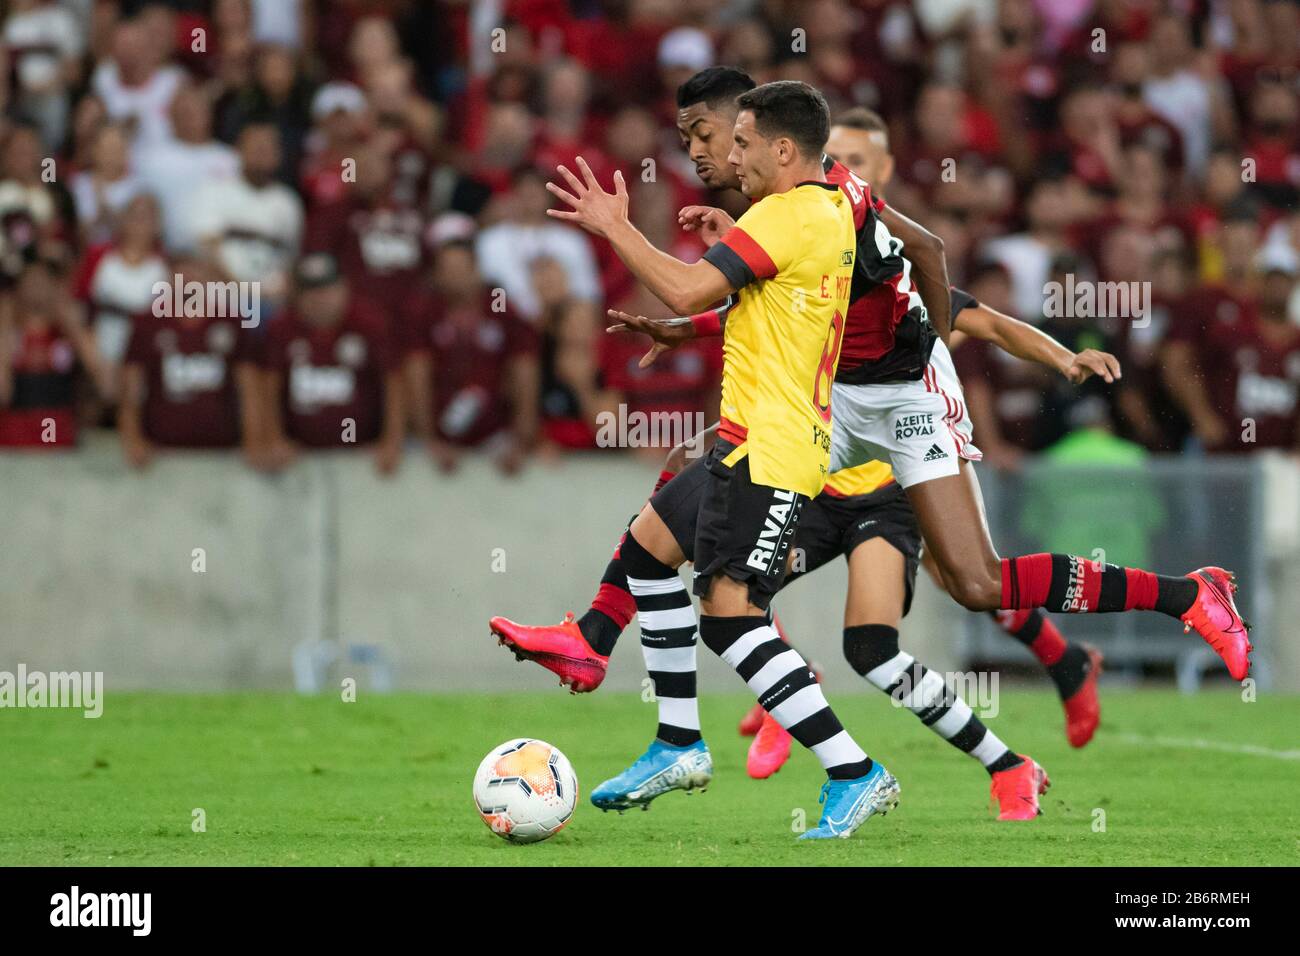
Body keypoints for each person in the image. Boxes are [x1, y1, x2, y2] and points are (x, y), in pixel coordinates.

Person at [542, 79, 898, 840]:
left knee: (732, 620)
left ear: (780, 148)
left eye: (739, 143)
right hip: (744, 440)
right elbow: (768, 300)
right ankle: (677, 743)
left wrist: (615, 227)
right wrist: (729, 239)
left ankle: (853, 770)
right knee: (645, 553)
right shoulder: (827, 206)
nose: (725, 155)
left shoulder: (790, 212)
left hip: (771, 451)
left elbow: (683, 287)